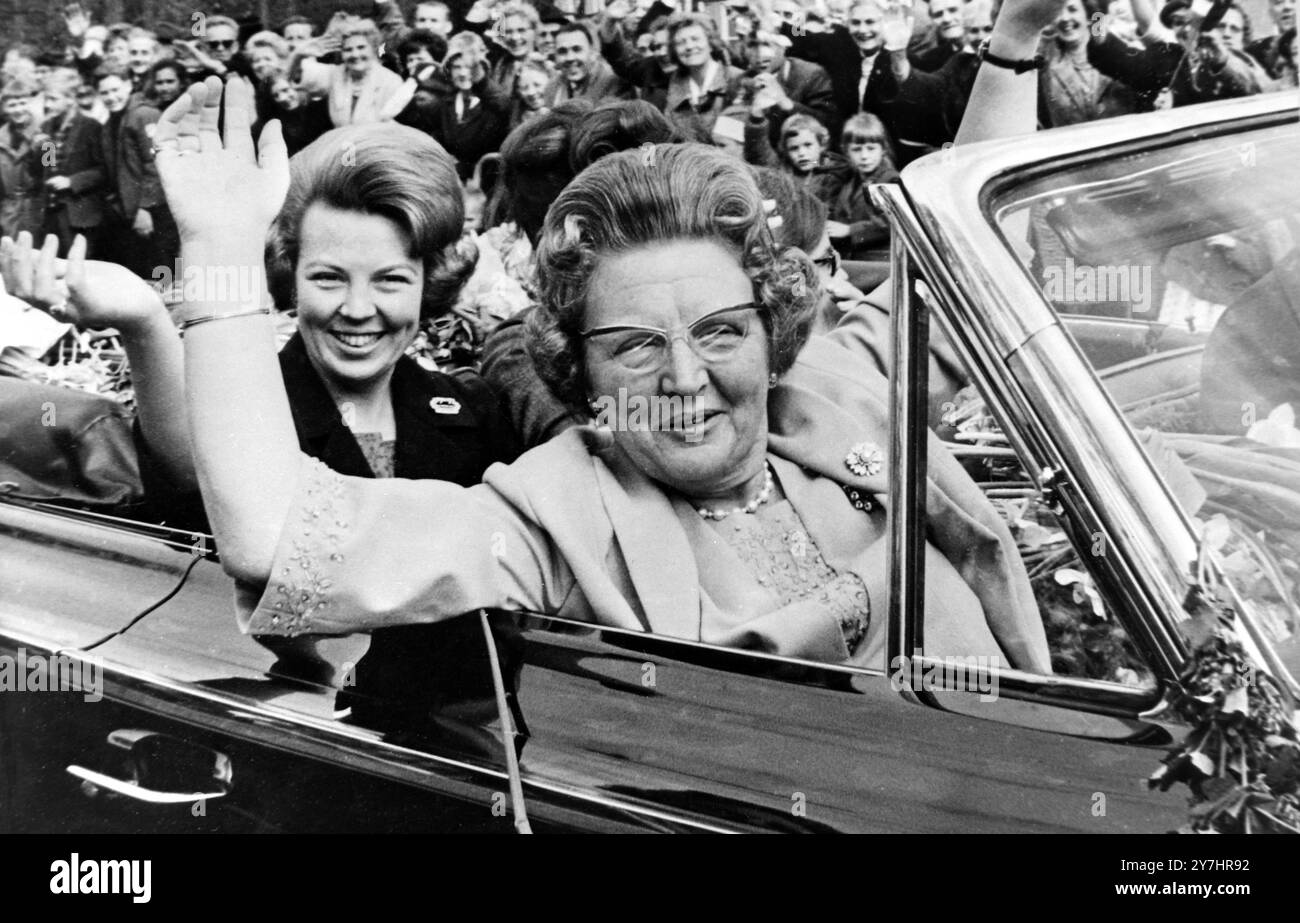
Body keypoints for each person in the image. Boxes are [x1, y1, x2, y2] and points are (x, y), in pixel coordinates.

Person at [147, 50, 1056, 671]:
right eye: (634, 348)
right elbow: (276, 536)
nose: (686, 380)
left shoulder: (839, 391)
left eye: (720, 331)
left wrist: (1014, 46)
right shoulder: (557, 509)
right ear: (576, 366)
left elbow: (966, 259)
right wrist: (223, 252)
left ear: (774, 330)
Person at [0, 121, 520, 725]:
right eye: (328, 277)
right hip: (294, 740)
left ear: (431, 280)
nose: (357, 310)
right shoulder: (244, 418)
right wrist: (143, 321)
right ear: (288, 272)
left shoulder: (474, 412)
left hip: (462, 760)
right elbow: (200, 456)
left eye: (390, 279)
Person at [37, 69, 107, 255]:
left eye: (53, 99)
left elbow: (104, 170)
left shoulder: (91, 127)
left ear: (69, 99)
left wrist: (72, 181)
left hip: (81, 214)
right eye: (46, 99)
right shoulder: (47, 127)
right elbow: (50, 167)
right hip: (53, 213)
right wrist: (42, 150)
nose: (47, 104)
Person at [293, 18, 405, 127]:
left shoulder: (391, 81)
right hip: (341, 142)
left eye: (361, 47)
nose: (355, 54)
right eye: (348, 49)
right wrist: (297, 56)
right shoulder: (334, 74)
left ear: (373, 48)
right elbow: (296, 76)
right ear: (341, 53)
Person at [662, 12, 745, 141]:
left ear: (711, 43)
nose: (689, 47)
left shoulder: (735, 78)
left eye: (695, 39)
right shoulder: (674, 85)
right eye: (680, 43)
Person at [827, 112, 898, 261]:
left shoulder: (889, 179)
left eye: (871, 148)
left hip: (881, 259)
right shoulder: (850, 182)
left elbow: (891, 222)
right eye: (857, 149)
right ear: (846, 151)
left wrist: (849, 230)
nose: (864, 156)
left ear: (883, 149)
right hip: (855, 257)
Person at [0, 76, 46, 240]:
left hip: (36, 207)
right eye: (12, 105)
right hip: (8, 211)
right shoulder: (1, 137)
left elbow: (51, 168)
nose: (18, 110)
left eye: (23, 103)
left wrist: (41, 148)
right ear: (4, 108)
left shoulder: (44, 131)